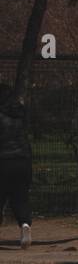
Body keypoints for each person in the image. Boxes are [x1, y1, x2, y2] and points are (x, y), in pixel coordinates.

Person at [0, 84, 33, 250]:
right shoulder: (20, 113)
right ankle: (25, 225)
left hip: (3, 160)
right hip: (23, 159)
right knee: (21, 197)